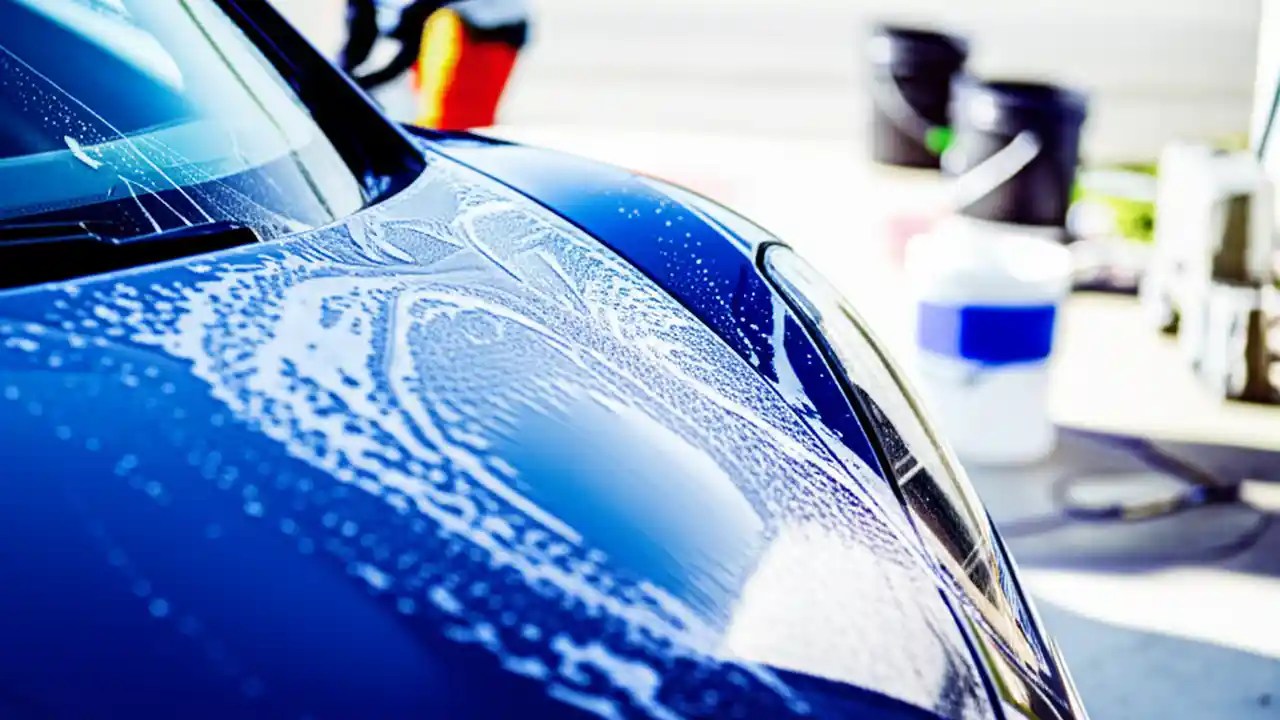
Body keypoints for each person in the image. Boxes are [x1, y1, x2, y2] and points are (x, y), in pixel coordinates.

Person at [340, 0, 529, 131]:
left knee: (452, 127)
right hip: (426, 27)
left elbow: (415, 18)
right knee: (403, 118)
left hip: (478, 27)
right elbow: (361, 27)